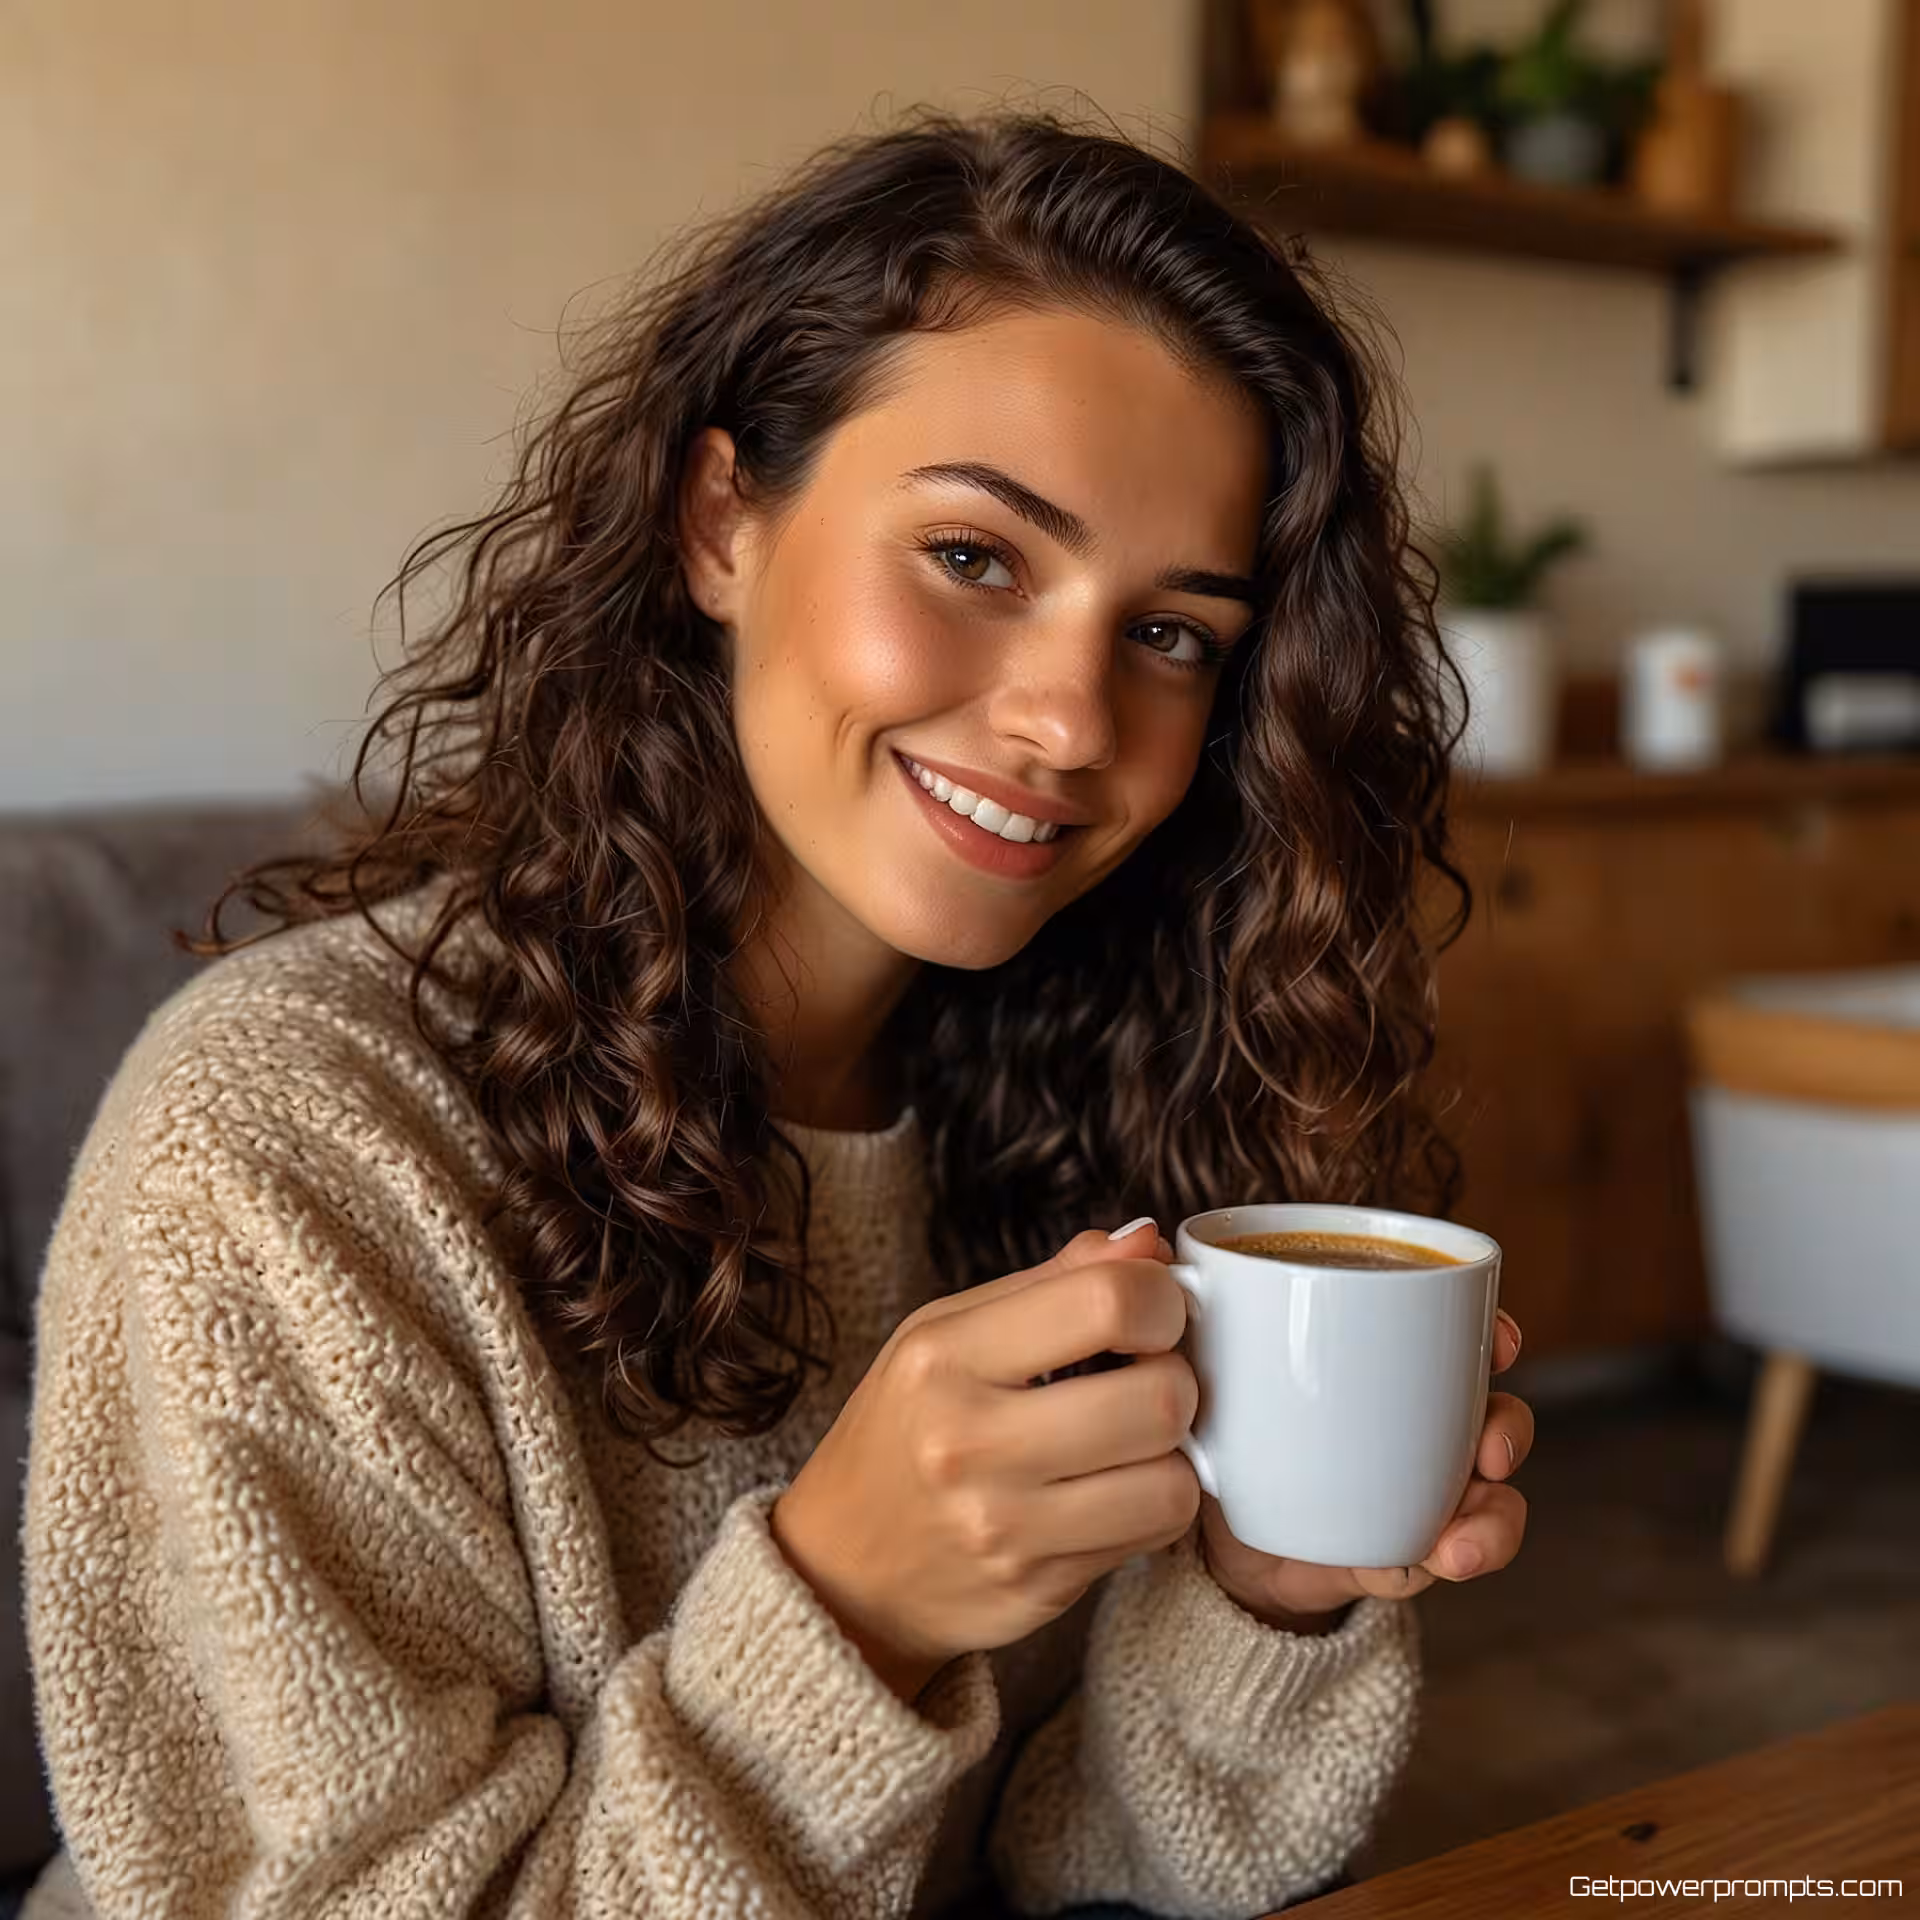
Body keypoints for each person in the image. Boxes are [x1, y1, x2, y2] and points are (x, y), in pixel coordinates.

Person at [23, 105, 1533, 1920]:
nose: (1071, 720)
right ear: (720, 518)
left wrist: (1265, 1595)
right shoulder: (286, 1141)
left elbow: (1089, 1883)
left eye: (1173, 634)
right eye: (974, 557)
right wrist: (852, 1610)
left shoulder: (1108, 1093)